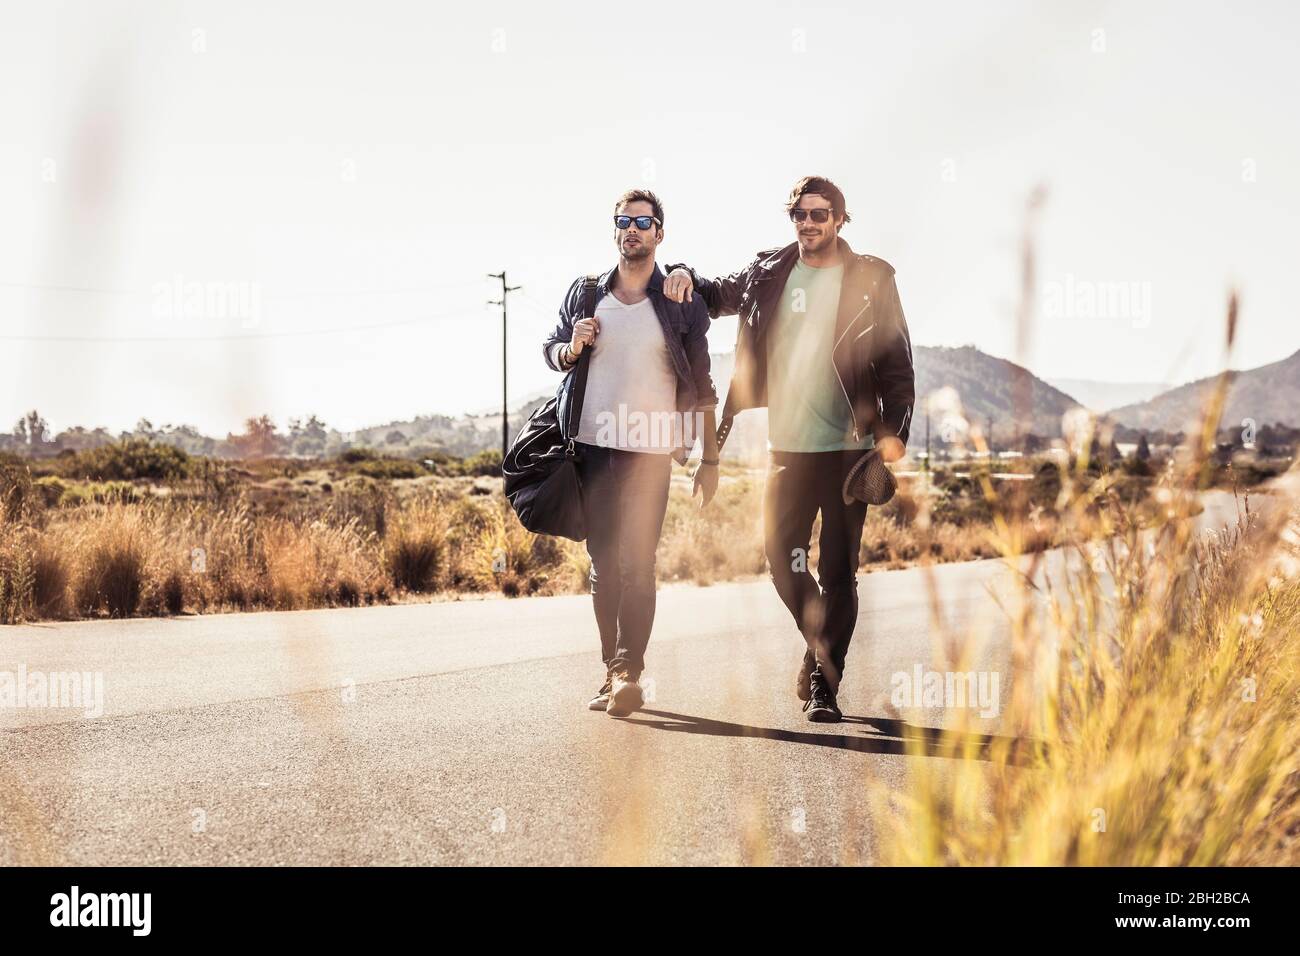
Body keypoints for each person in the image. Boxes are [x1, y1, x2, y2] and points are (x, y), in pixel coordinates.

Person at [663, 176, 915, 722]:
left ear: (841, 219)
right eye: (799, 213)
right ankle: (820, 646)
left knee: (839, 571)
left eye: (820, 214)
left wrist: (893, 431)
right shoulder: (768, 274)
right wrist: (682, 272)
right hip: (789, 449)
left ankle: (824, 683)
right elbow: (715, 293)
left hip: (849, 451)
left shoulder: (872, 278)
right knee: (782, 557)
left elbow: (896, 361)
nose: (808, 223)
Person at [543, 189, 720, 718]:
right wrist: (572, 348)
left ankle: (628, 671)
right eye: (624, 222)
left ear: (659, 234)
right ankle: (610, 669)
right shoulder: (585, 293)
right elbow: (550, 351)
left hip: (649, 449)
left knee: (637, 565)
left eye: (643, 222)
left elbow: (704, 383)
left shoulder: (678, 299)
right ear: (615, 231)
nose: (632, 230)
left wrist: (710, 459)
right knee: (603, 566)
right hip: (592, 449)